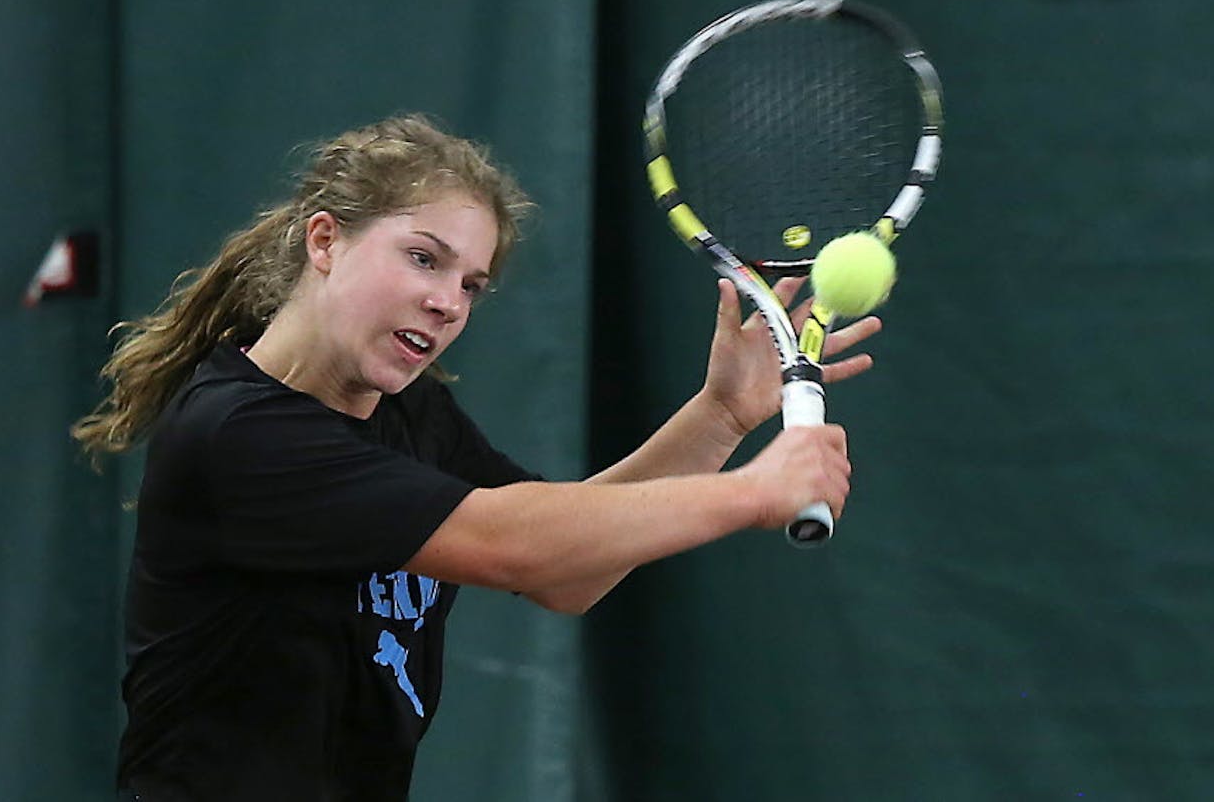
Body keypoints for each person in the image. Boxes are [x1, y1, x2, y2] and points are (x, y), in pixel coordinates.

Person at [73, 114, 881, 801]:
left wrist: (720, 417)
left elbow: (566, 570)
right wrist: (752, 493)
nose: (448, 301)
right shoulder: (238, 435)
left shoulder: (410, 412)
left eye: (472, 284)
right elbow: (510, 542)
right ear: (325, 239)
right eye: (424, 258)